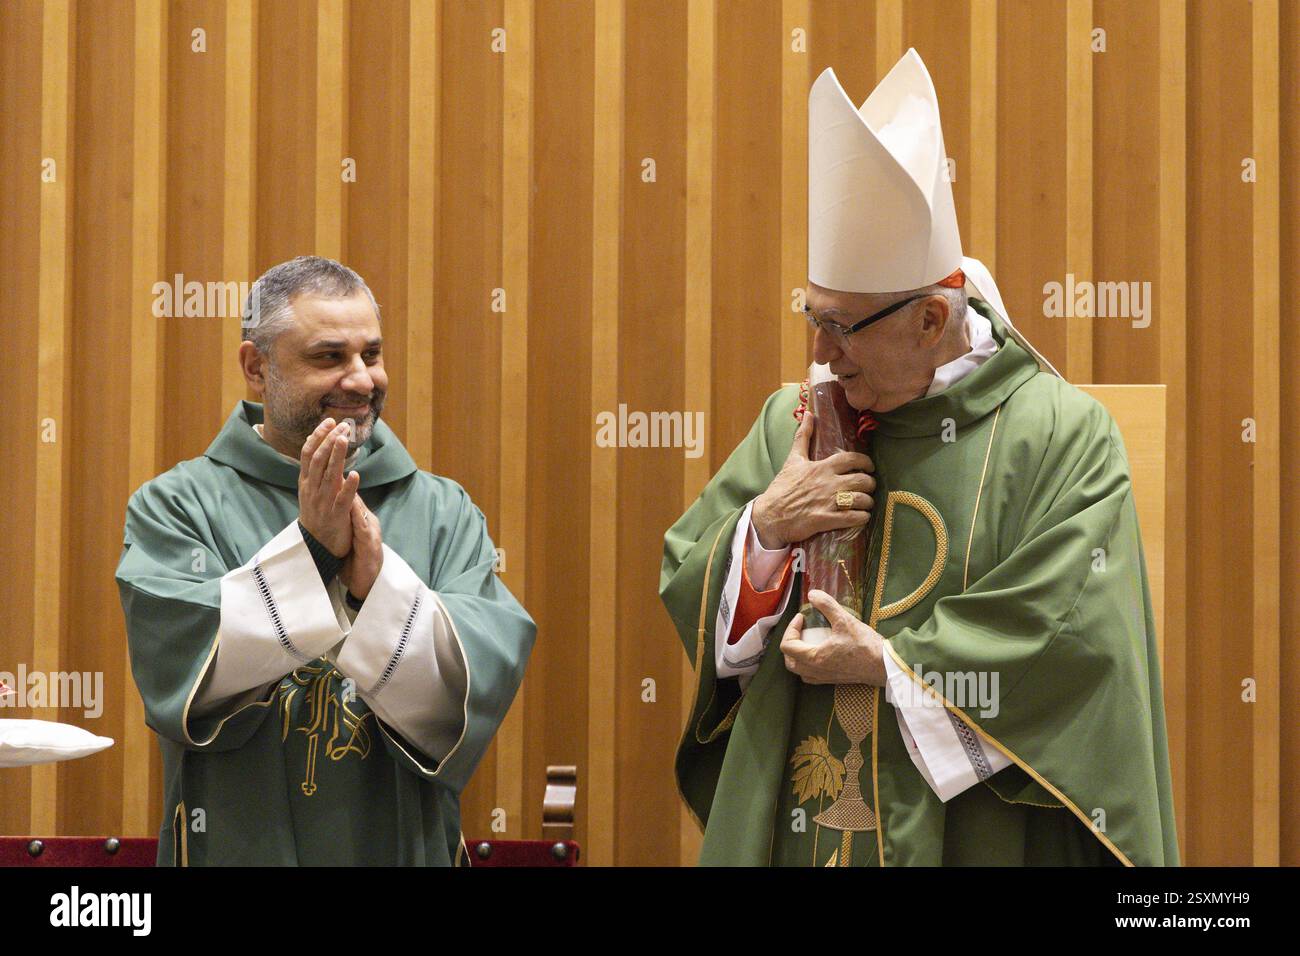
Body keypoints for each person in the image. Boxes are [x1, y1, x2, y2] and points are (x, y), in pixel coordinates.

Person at [660, 49, 1178, 866]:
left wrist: (894, 666)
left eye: (841, 326)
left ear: (932, 321)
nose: (820, 351)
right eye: (813, 316)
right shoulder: (798, 420)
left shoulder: (1062, 439)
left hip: (979, 836)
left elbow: (1075, 645)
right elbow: (691, 579)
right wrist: (764, 528)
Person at [116, 255, 535, 865]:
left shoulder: (443, 510)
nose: (361, 380)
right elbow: (176, 665)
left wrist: (375, 589)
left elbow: (473, 690)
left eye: (372, 354)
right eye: (329, 357)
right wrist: (311, 551)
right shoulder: (177, 506)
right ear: (257, 368)